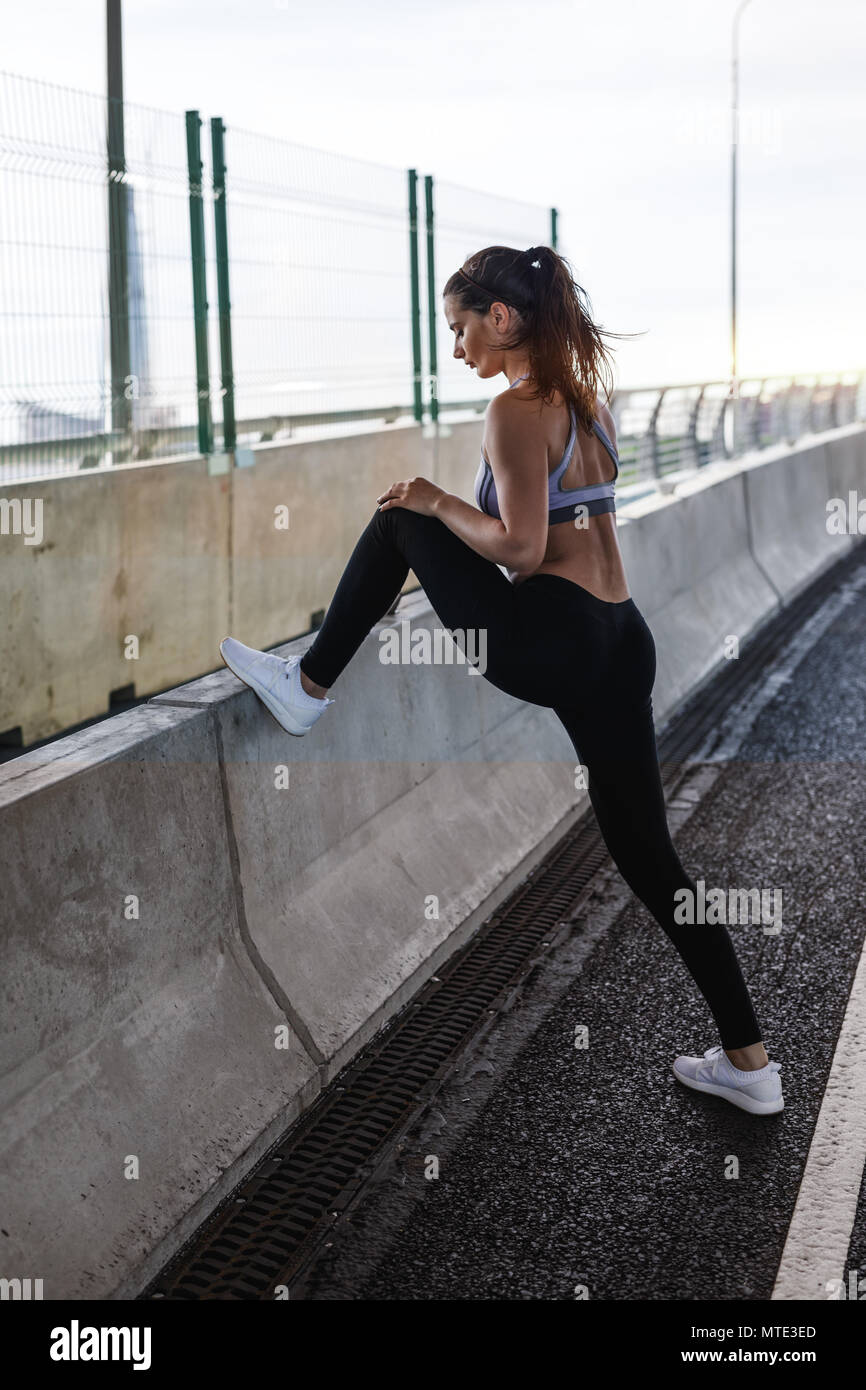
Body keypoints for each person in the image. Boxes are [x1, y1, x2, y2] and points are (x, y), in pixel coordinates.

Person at [220, 243, 783, 1117]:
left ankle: (308, 688)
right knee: (653, 861)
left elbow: (519, 546)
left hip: (550, 637)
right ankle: (750, 1066)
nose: (457, 349)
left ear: (503, 318)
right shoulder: (586, 400)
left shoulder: (515, 411)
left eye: (460, 328)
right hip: (622, 637)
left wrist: (437, 501)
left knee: (400, 521)